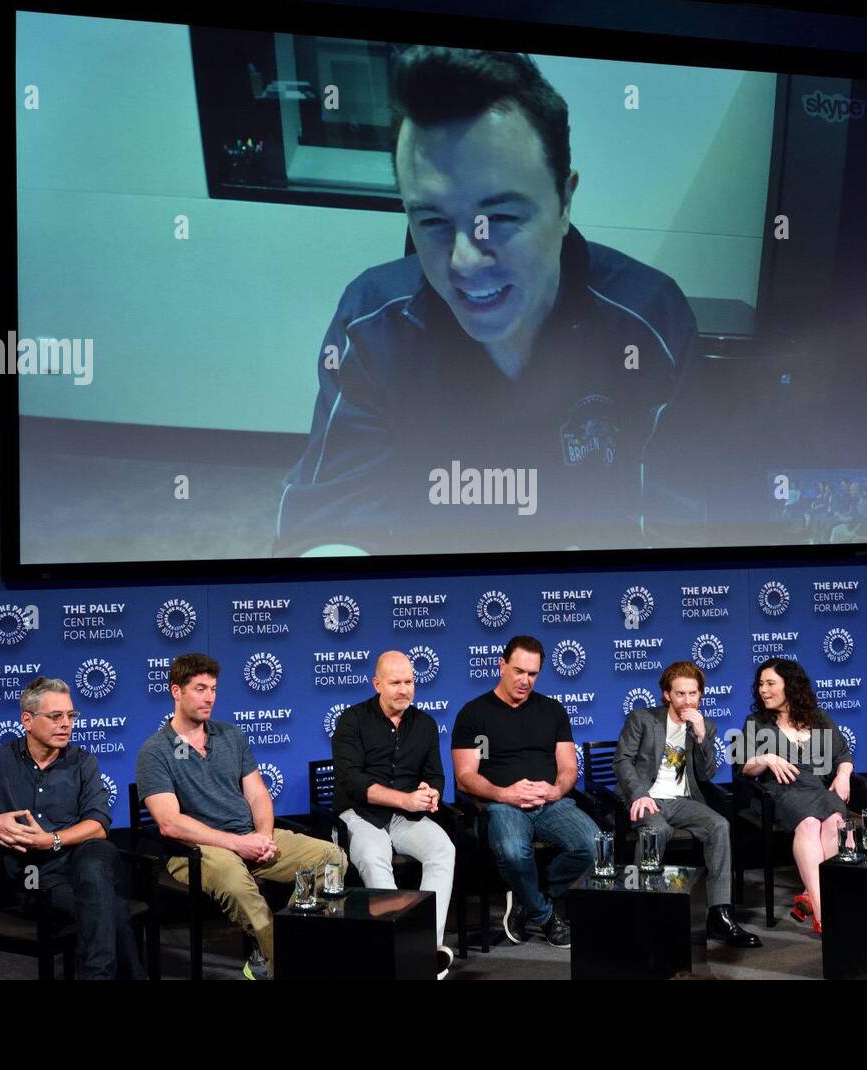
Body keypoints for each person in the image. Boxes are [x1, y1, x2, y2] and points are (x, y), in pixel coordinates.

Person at [275, 46, 699, 557]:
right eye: (432, 222)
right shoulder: (371, 324)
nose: (465, 263)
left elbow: (687, 525)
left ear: (565, 202)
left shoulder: (650, 320)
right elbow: (326, 526)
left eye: (499, 217)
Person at [136, 653, 346, 980]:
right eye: (200, 688)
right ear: (176, 691)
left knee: (331, 858)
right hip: (196, 850)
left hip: (249, 836)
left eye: (214, 689)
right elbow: (170, 822)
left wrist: (262, 835)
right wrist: (238, 844)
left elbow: (258, 793)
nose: (209, 697)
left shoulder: (231, 736)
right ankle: (293, 966)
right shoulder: (155, 751)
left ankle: (271, 951)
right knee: (241, 888)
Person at [0, 676, 144, 979]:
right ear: (27, 720)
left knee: (96, 853)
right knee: (111, 909)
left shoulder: (83, 761)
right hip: (36, 878)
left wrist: (51, 840)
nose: (66, 724)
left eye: (70, 716)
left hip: (84, 862)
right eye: (56, 716)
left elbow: (98, 825)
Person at [451, 635, 599, 947]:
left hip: (550, 804)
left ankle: (526, 897)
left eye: (532, 674)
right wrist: (505, 794)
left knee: (593, 845)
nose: (525, 680)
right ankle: (545, 916)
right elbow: (465, 777)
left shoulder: (552, 711)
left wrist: (556, 790)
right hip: (502, 805)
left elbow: (569, 767)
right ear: (501, 665)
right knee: (513, 852)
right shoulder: (475, 714)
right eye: (518, 671)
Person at [614, 660, 762, 948]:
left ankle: (719, 914)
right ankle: (641, 910)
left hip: (683, 799)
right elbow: (622, 761)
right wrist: (639, 794)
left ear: (700, 695)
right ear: (667, 694)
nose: (687, 701)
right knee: (658, 831)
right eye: (680, 694)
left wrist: (702, 737)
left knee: (720, 826)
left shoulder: (704, 726)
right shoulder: (642, 719)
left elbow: (706, 774)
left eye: (693, 694)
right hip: (648, 797)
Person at [333, 650, 457, 979]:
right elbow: (353, 782)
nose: (404, 689)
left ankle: (427, 947)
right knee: (375, 857)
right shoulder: (352, 720)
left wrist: (432, 794)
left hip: (407, 817)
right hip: (360, 814)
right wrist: (405, 799)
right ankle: (394, 948)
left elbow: (435, 774)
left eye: (409, 682)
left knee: (443, 849)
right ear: (377, 684)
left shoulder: (426, 724)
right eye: (395, 683)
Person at [738, 657, 854, 933]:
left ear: (790, 686)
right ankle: (824, 912)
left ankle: (820, 897)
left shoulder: (819, 718)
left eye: (770, 684)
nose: (763, 690)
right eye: (760, 685)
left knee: (835, 824)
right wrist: (766, 758)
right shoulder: (757, 722)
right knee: (810, 824)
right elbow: (744, 767)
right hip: (780, 790)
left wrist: (843, 775)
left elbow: (843, 755)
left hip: (818, 787)